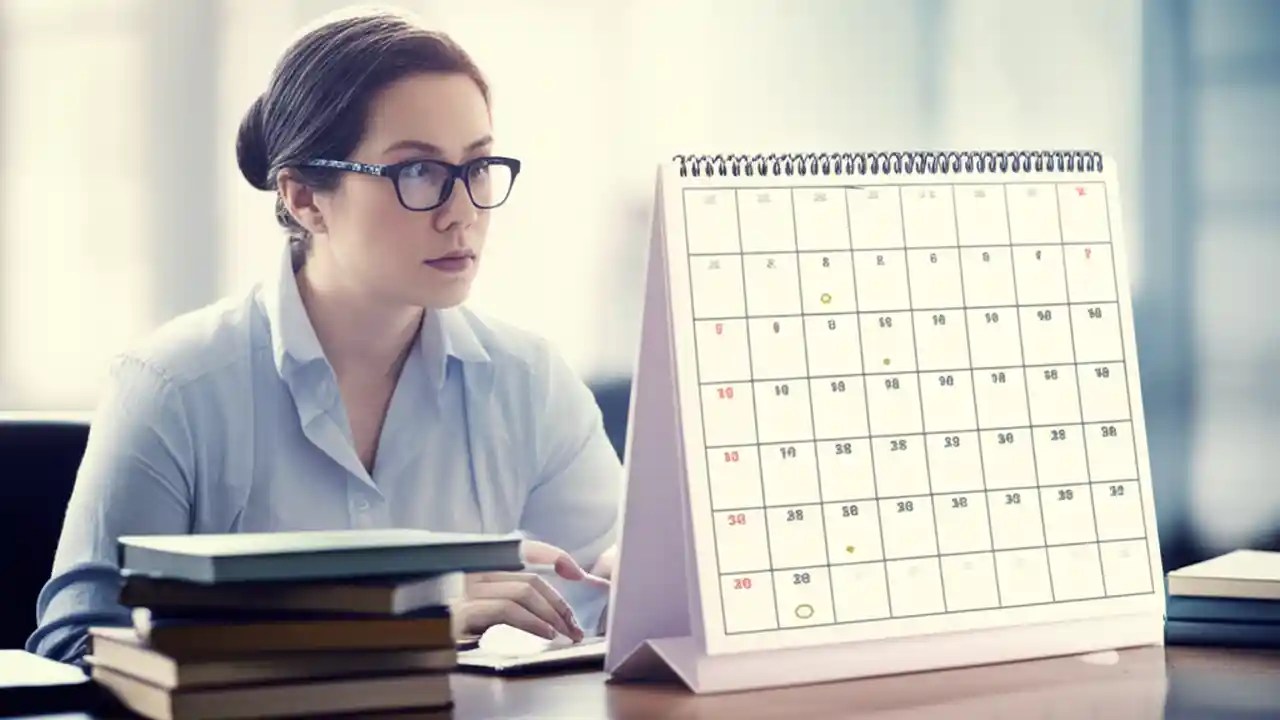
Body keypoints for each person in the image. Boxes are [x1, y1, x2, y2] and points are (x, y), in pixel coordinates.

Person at [27, 8, 622, 666]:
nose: (462, 213)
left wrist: (649, 585)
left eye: (478, 167)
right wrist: (403, 623)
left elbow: (605, 600)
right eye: (418, 173)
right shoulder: (174, 386)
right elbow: (72, 647)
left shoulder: (529, 381)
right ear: (307, 198)